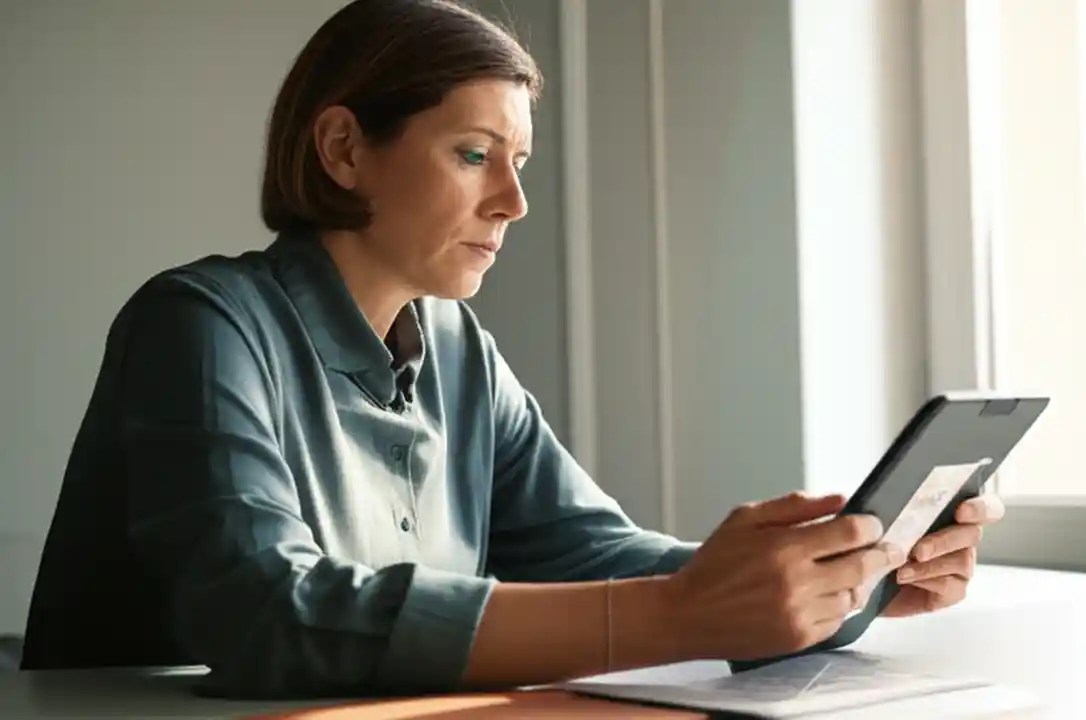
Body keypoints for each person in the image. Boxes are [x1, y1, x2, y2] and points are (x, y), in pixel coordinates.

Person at [21, 0, 1004, 698]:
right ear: (343, 148)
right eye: (472, 154)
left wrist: (836, 582)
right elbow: (271, 616)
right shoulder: (198, 321)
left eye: (519, 161)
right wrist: (690, 613)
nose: (513, 202)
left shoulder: (457, 350)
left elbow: (604, 561)